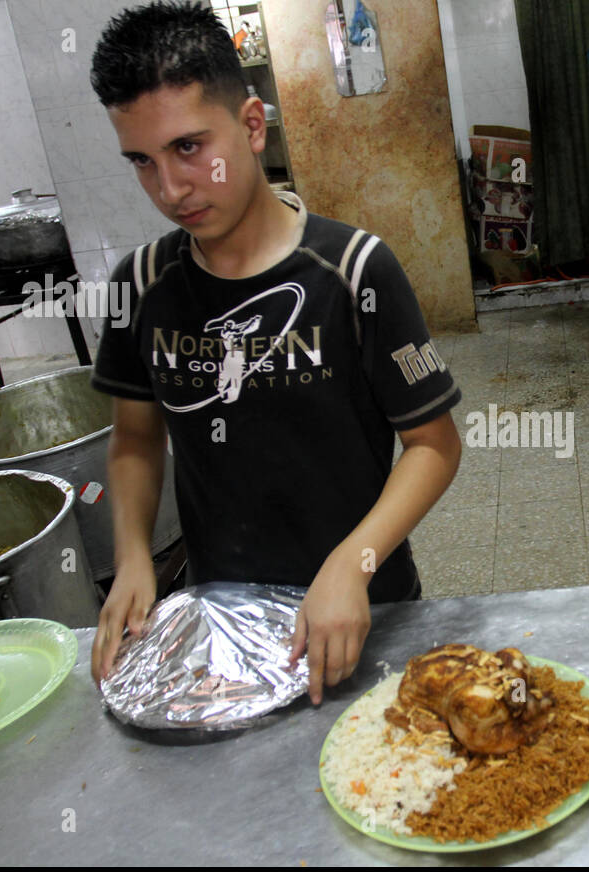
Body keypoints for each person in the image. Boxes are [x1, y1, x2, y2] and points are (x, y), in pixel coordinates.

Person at [87, 1, 462, 704]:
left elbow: (433, 445)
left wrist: (353, 564)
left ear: (252, 126)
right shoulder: (140, 287)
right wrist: (133, 555)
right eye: (143, 161)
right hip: (219, 622)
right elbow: (136, 440)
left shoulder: (354, 273)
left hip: (367, 610)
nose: (170, 189)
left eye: (190, 148)